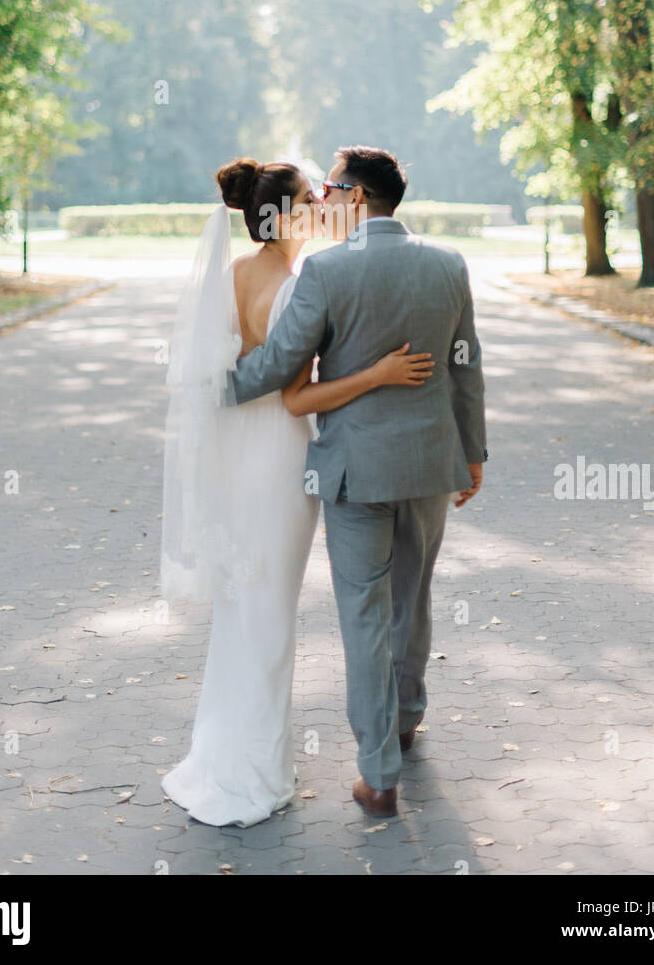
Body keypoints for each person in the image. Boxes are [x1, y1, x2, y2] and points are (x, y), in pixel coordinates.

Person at [159, 157, 433, 827]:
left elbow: (216, 379)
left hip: (237, 464)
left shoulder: (230, 278)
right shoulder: (292, 283)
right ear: (282, 215)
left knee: (242, 612)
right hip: (280, 466)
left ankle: (226, 755)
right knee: (270, 616)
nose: (320, 205)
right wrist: (378, 372)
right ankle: (252, 771)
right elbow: (294, 397)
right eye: (310, 198)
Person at [230, 145, 486, 818]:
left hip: (354, 475)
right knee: (414, 600)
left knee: (363, 618)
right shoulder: (447, 264)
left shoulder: (326, 271)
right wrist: (474, 454)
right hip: (433, 467)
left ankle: (379, 773)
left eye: (333, 187)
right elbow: (466, 366)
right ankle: (406, 716)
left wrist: (213, 388)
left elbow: (282, 361)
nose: (326, 199)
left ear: (355, 196)